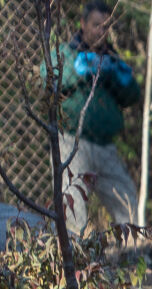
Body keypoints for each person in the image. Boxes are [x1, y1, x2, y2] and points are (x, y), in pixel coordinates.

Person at [45, 0, 141, 233]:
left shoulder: (112, 59)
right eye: (97, 25)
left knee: (127, 201)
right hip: (71, 144)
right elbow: (48, 78)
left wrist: (121, 77)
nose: (101, 31)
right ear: (83, 24)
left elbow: (131, 96)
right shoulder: (66, 53)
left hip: (105, 147)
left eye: (106, 27)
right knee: (72, 207)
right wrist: (77, 69)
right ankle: (75, 265)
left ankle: (128, 259)